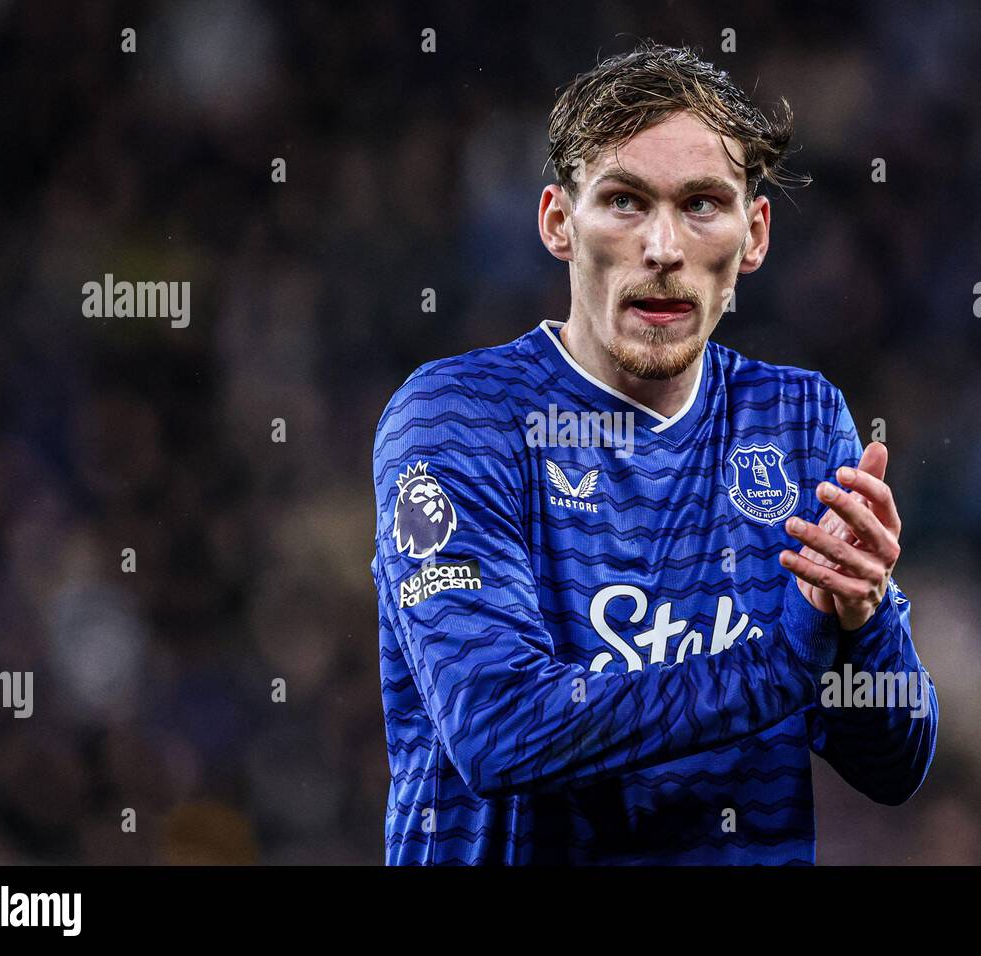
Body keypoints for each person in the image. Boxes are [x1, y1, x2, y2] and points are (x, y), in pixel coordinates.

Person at [371, 41, 937, 864]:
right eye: (626, 201)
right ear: (559, 223)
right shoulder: (459, 418)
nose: (664, 247)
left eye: (703, 203)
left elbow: (893, 767)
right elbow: (498, 729)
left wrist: (865, 619)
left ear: (754, 235)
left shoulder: (799, 420)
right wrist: (781, 662)